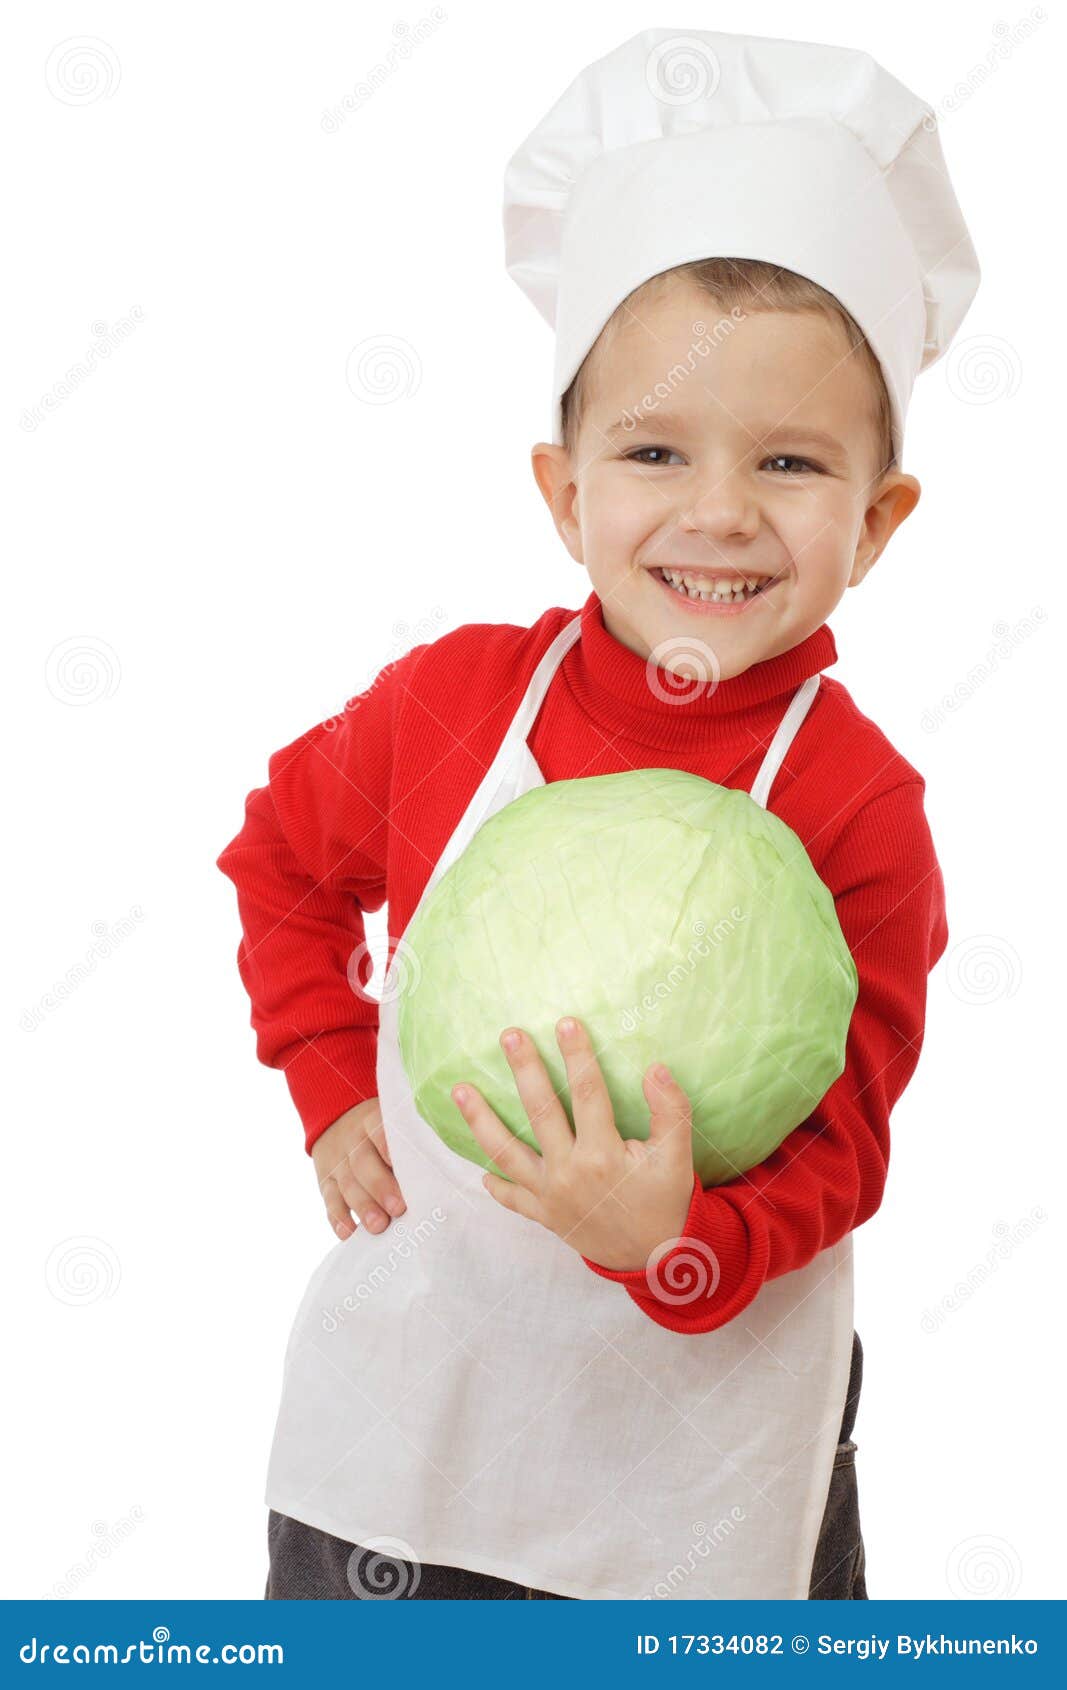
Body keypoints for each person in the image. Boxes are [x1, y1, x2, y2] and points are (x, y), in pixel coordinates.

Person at [216, 26, 979, 1601]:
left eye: (789, 460)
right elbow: (283, 859)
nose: (717, 511)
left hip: (703, 1464)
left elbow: (842, 1150)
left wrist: (675, 1232)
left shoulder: (860, 806)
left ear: (879, 518)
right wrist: (322, 1069)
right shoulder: (452, 702)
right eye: (653, 451)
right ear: (565, 491)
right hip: (415, 1440)